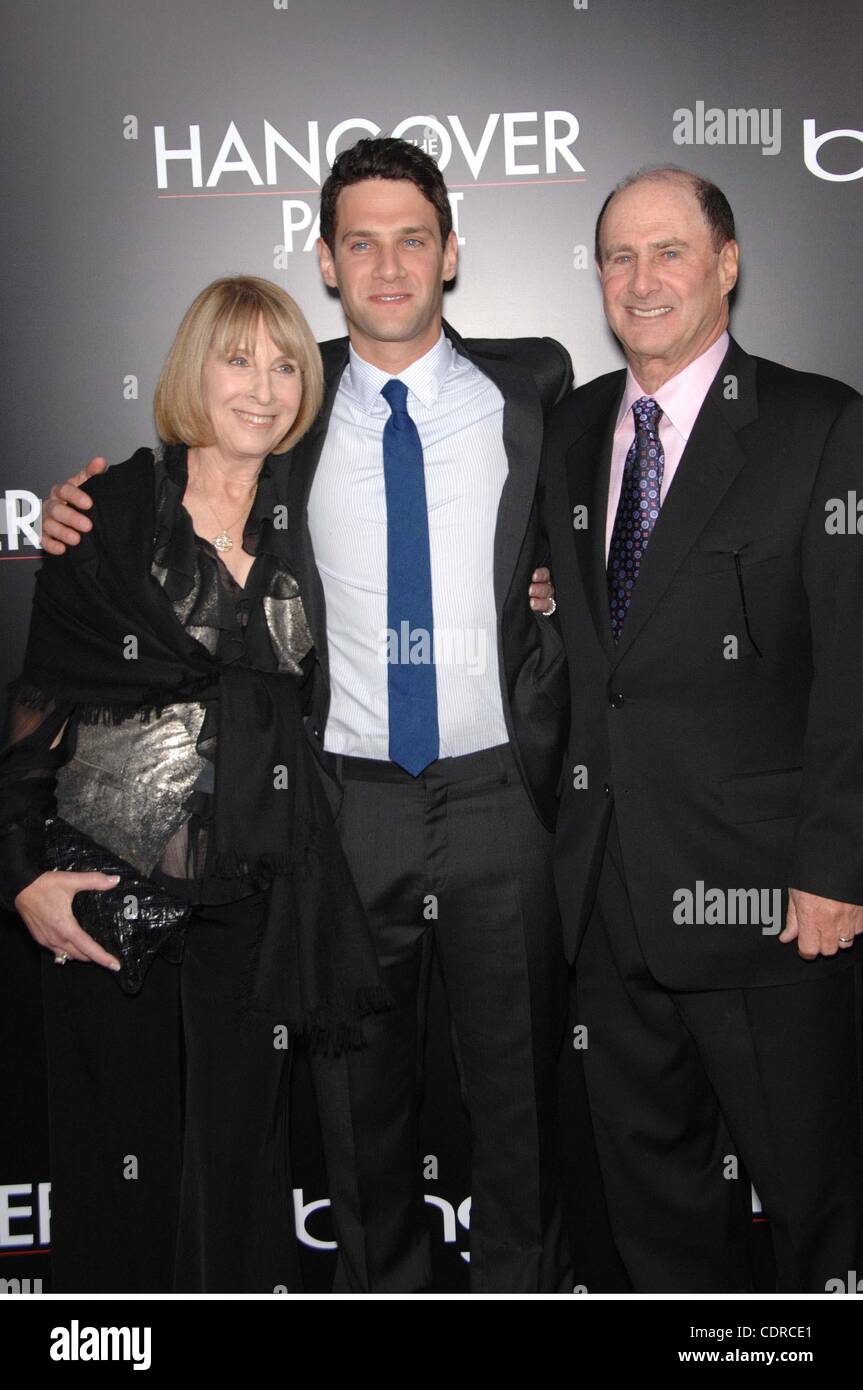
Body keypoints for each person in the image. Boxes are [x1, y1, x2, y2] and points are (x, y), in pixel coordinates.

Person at [40, 137, 572, 1294]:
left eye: (412, 239)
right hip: (337, 809)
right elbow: (180, 494)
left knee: (521, 1106)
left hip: (497, 800)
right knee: (351, 1111)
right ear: (326, 262)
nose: (388, 265)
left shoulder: (532, 389)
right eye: (361, 242)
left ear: (450, 254)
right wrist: (76, 512)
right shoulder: (290, 407)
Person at [0, 274, 389, 1293]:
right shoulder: (111, 511)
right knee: (119, 1162)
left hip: (258, 900)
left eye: (283, 365)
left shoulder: (309, 512)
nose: (262, 387)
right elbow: (40, 705)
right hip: (107, 892)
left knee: (236, 1164)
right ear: (191, 372)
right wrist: (20, 874)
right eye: (236, 358)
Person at [541, 165, 863, 1291]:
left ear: (725, 266)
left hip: (771, 901)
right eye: (618, 257)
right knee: (657, 1217)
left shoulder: (819, 426)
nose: (641, 279)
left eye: (668, 251)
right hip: (606, 897)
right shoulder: (573, 423)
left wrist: (835, 866)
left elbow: (852, 669)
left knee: (818, 1204)